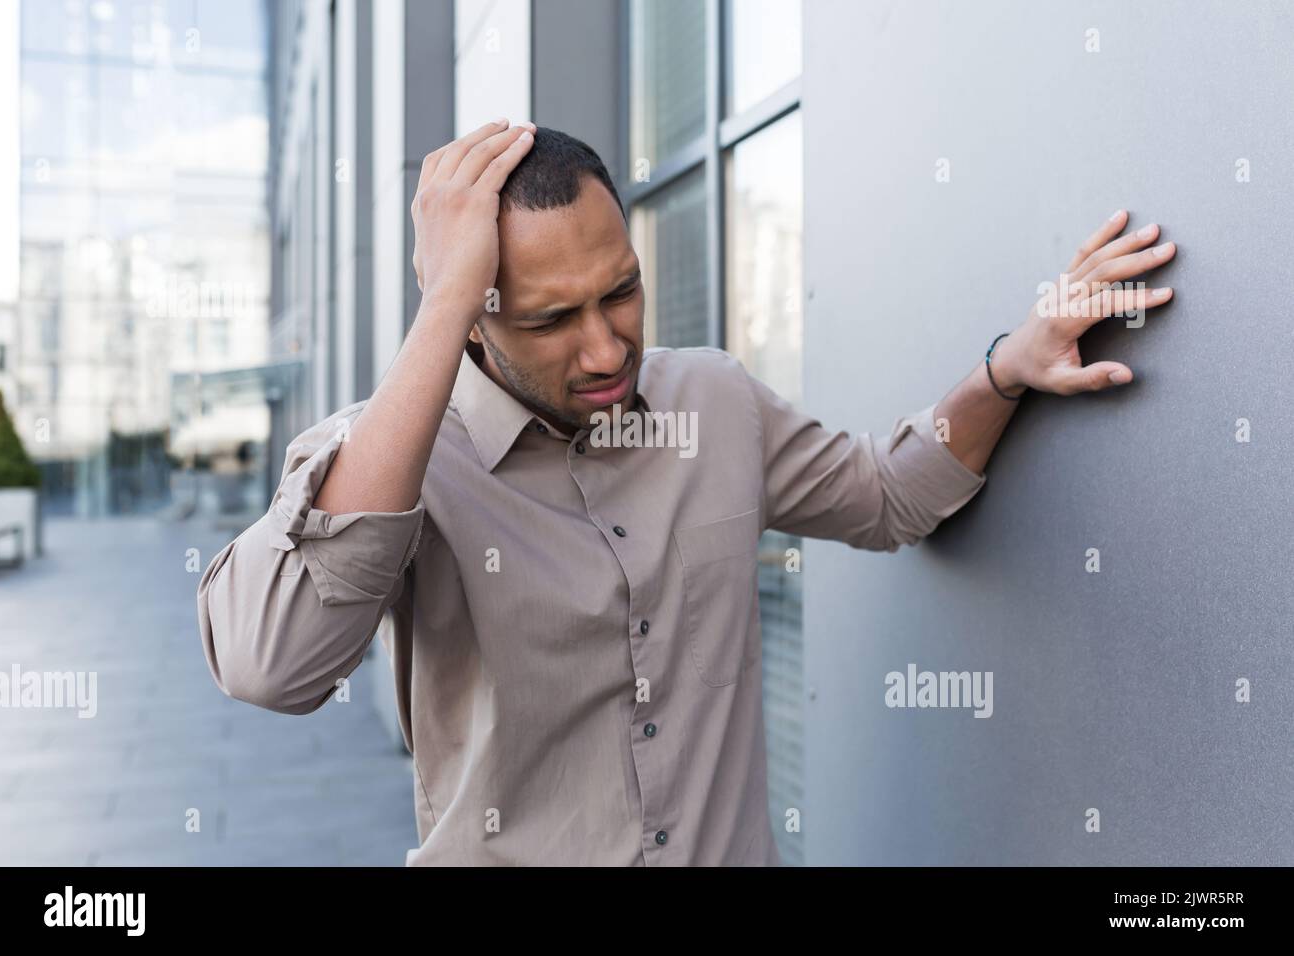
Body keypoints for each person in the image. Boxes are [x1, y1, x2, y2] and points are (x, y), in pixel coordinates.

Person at [196, 120, 1177, 865]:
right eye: (549, 318)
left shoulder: (711, 396)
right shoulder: (391, 454)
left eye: (618, 290)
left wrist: (1006, 365)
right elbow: (272, 666)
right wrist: (443, 298)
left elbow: (888, 496)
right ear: (470, 321)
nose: (605, 346)